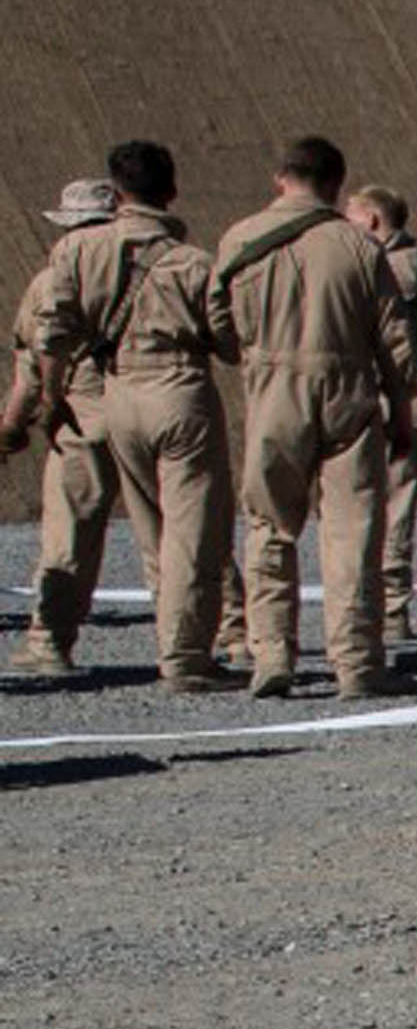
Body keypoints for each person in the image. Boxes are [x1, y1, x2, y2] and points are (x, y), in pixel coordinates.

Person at [209, 133, 412, 697]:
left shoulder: (240, 238)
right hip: (349, 386)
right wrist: (401, 413)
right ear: (336, 183)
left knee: (270, 525)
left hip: (273, 387)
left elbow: (219, 327)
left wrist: (254, 353)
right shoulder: (359, 245)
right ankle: (358, 663)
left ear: (281, 178)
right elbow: (394, 341)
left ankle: (272, 653)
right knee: (352, 531)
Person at [28, 140, 233, 694]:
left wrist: (50, 398)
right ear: (170, 192)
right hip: (178, 387)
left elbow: (51, 333)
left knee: (138, 527)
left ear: (116, 191)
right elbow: (227, 340)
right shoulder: (192, 260)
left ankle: (51, 639)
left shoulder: (74, 253)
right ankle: (186, 653)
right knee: (187, 529)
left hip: (116, 391)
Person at [5, 175, 131, 681]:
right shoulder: (162, 260)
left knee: (70, 534)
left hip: (83, 414)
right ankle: (218, 637)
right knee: (182, 530)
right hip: (161, 405)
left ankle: (50, 641)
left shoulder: (54, 274)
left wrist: (16, 423)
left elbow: (34, 359)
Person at [344, 183, 417, 654]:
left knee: (397, 505)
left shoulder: (374, 267)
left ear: (371, 219)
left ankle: (393, 609)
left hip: (401, 399)